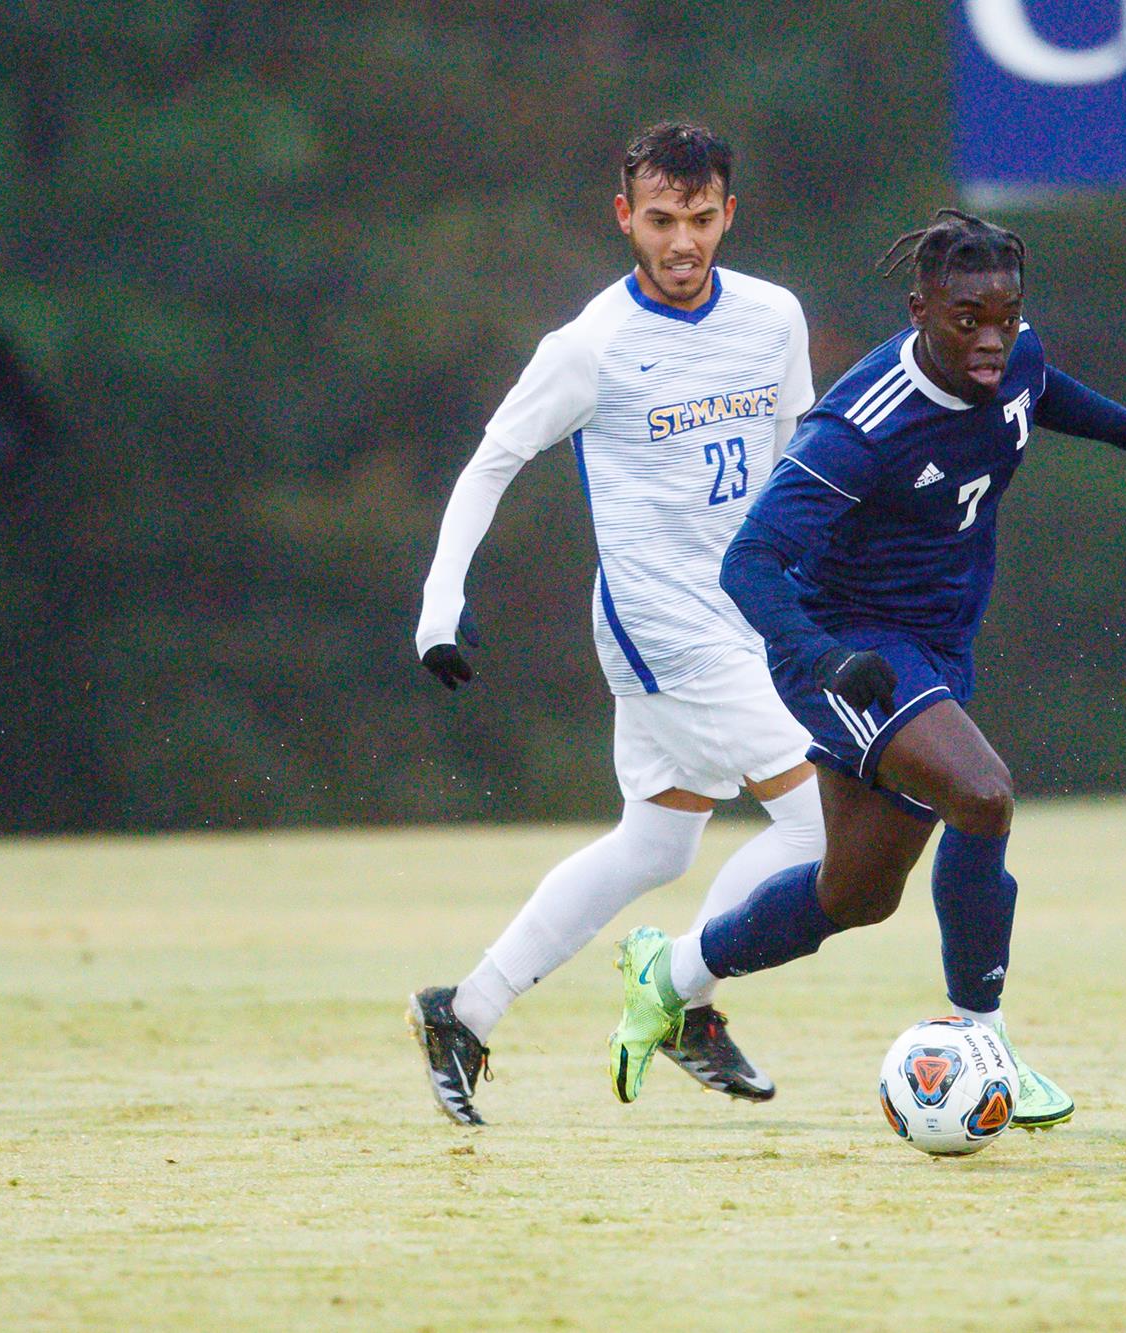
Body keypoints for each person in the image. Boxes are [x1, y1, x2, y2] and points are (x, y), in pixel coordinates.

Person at [606, 209, 1126, 1124]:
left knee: (854, 894)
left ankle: (669, 974)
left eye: (1007, 316)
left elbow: (1042, 392)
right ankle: (987, 1045)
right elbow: (749, 562)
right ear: (919, 310)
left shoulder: (1013, 355)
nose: (993, 339)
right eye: (968, 320)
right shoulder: (861, 426)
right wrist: (824, 657)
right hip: (848, 650)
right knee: (984, 795)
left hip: (934, 648)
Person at [407, 123, 825, 1125]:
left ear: (728, 213)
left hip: (752, 613)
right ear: (624, 218)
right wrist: (439, 604)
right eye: (660, 219)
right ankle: (678, 992)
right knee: (825, 825)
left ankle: (465, 1009)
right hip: (661, 626)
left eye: (700, 218)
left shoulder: (772, 316)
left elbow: (795, 459)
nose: (682, 241)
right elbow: (491, 463)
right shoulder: (589, 346)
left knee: (657, 844)